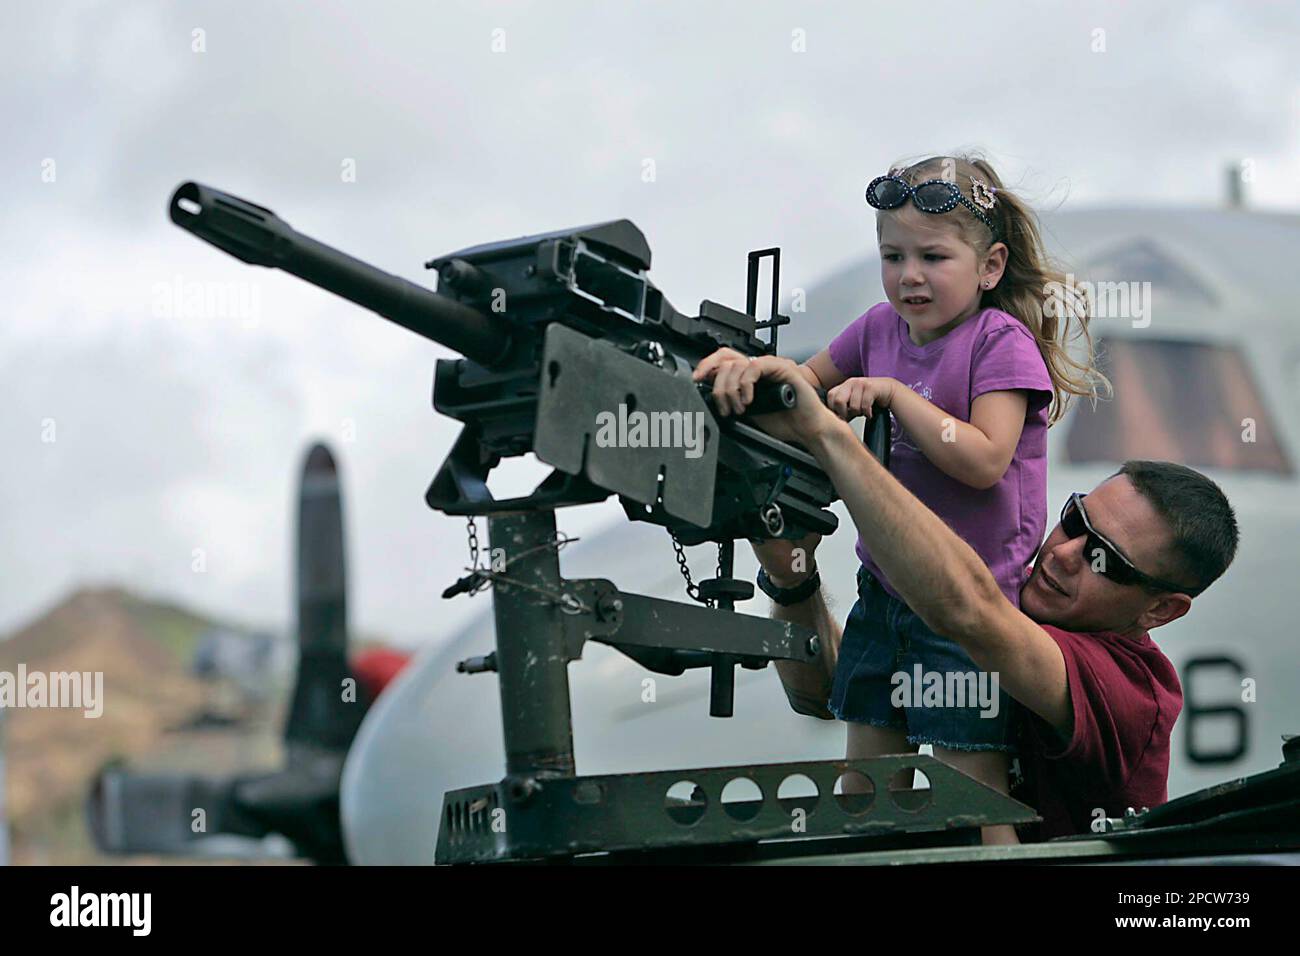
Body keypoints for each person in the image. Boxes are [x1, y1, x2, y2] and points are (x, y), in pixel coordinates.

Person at [700, 154, 1108, 842]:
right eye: (893, 256)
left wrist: (894, 395)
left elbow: (985, 459)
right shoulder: (875, 330)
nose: (909, 275)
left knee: (971, 788)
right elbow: (799, 397)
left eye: (933, 257)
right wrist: (745, 375)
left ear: (990, 266)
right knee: (864, 785)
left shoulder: (999, 342)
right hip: (885, 591)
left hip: (967, 605)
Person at [692, 350, 1238, 842]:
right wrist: (791, 573)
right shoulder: (1020, 596)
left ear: (1160, 609)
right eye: (1075, 521)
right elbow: (823, 694)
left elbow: (969, 611)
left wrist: (824, 433)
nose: (1066, 554)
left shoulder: (1132, 689)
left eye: (1105, 559)